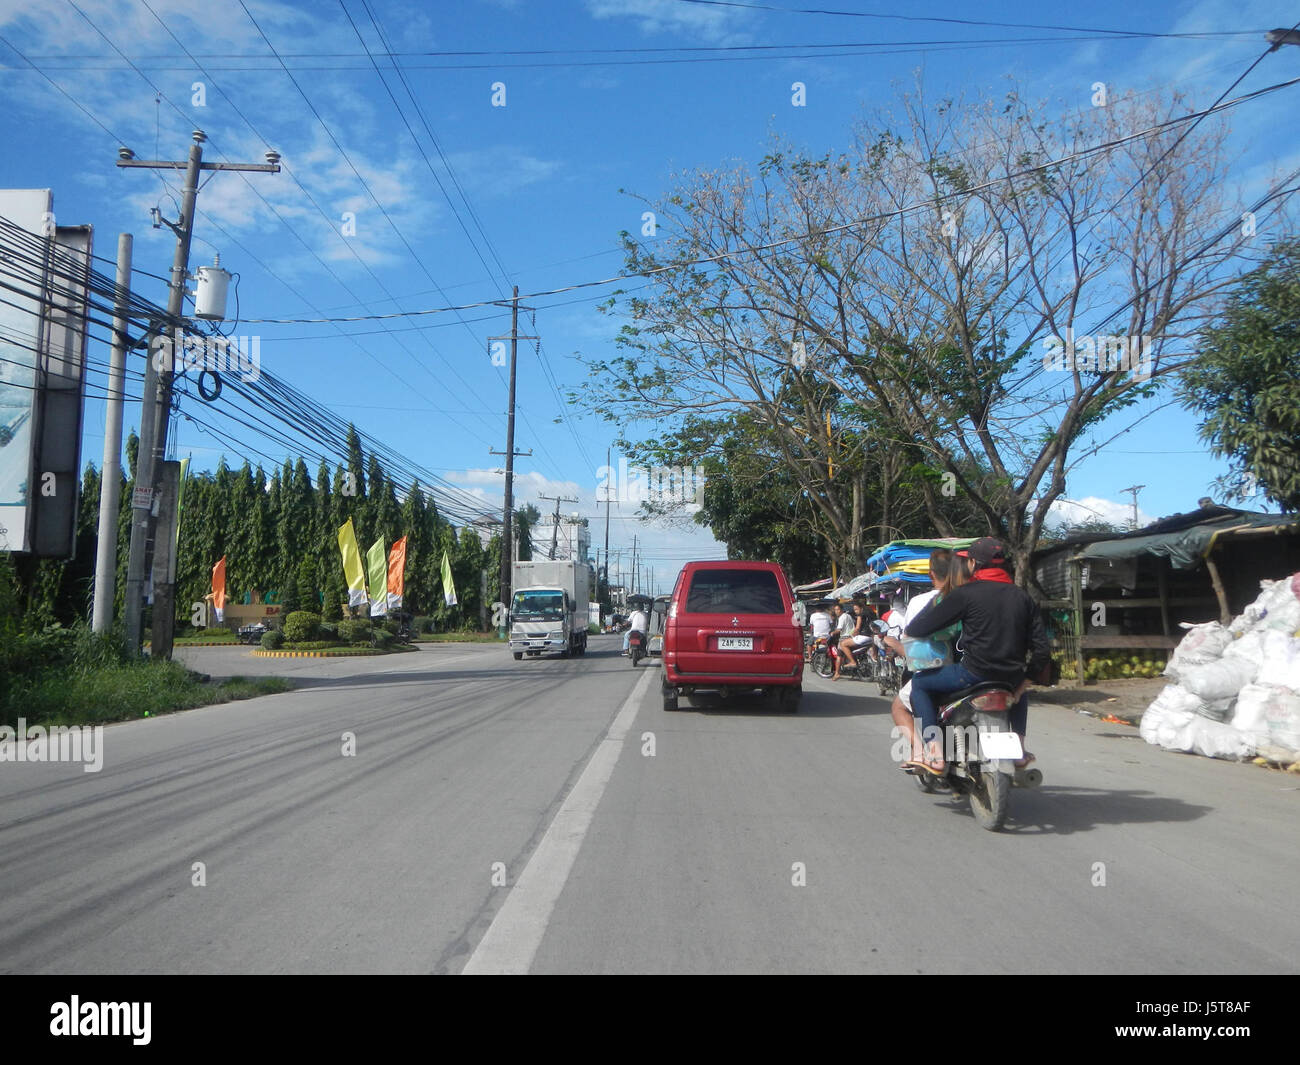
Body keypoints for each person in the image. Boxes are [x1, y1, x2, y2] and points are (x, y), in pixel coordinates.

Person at [903, 537, 1049, 775]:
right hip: (1009, 678)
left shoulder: (965, 594)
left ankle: (935, 753)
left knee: (920, 684)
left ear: (972, 563)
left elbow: (918, 629)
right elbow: (1042, 650)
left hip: (971, 674)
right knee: (1020, 689)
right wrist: (1026, 681)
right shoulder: (1022, 597)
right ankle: (1019, 750)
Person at [889, 549, 964, 766]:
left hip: (937, 670)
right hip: (971, 669)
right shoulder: (968, 596)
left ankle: (921, 752)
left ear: (932, 575)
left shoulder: (921, 602)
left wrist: (894, 645)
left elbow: (912, 643)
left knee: (899, 706)